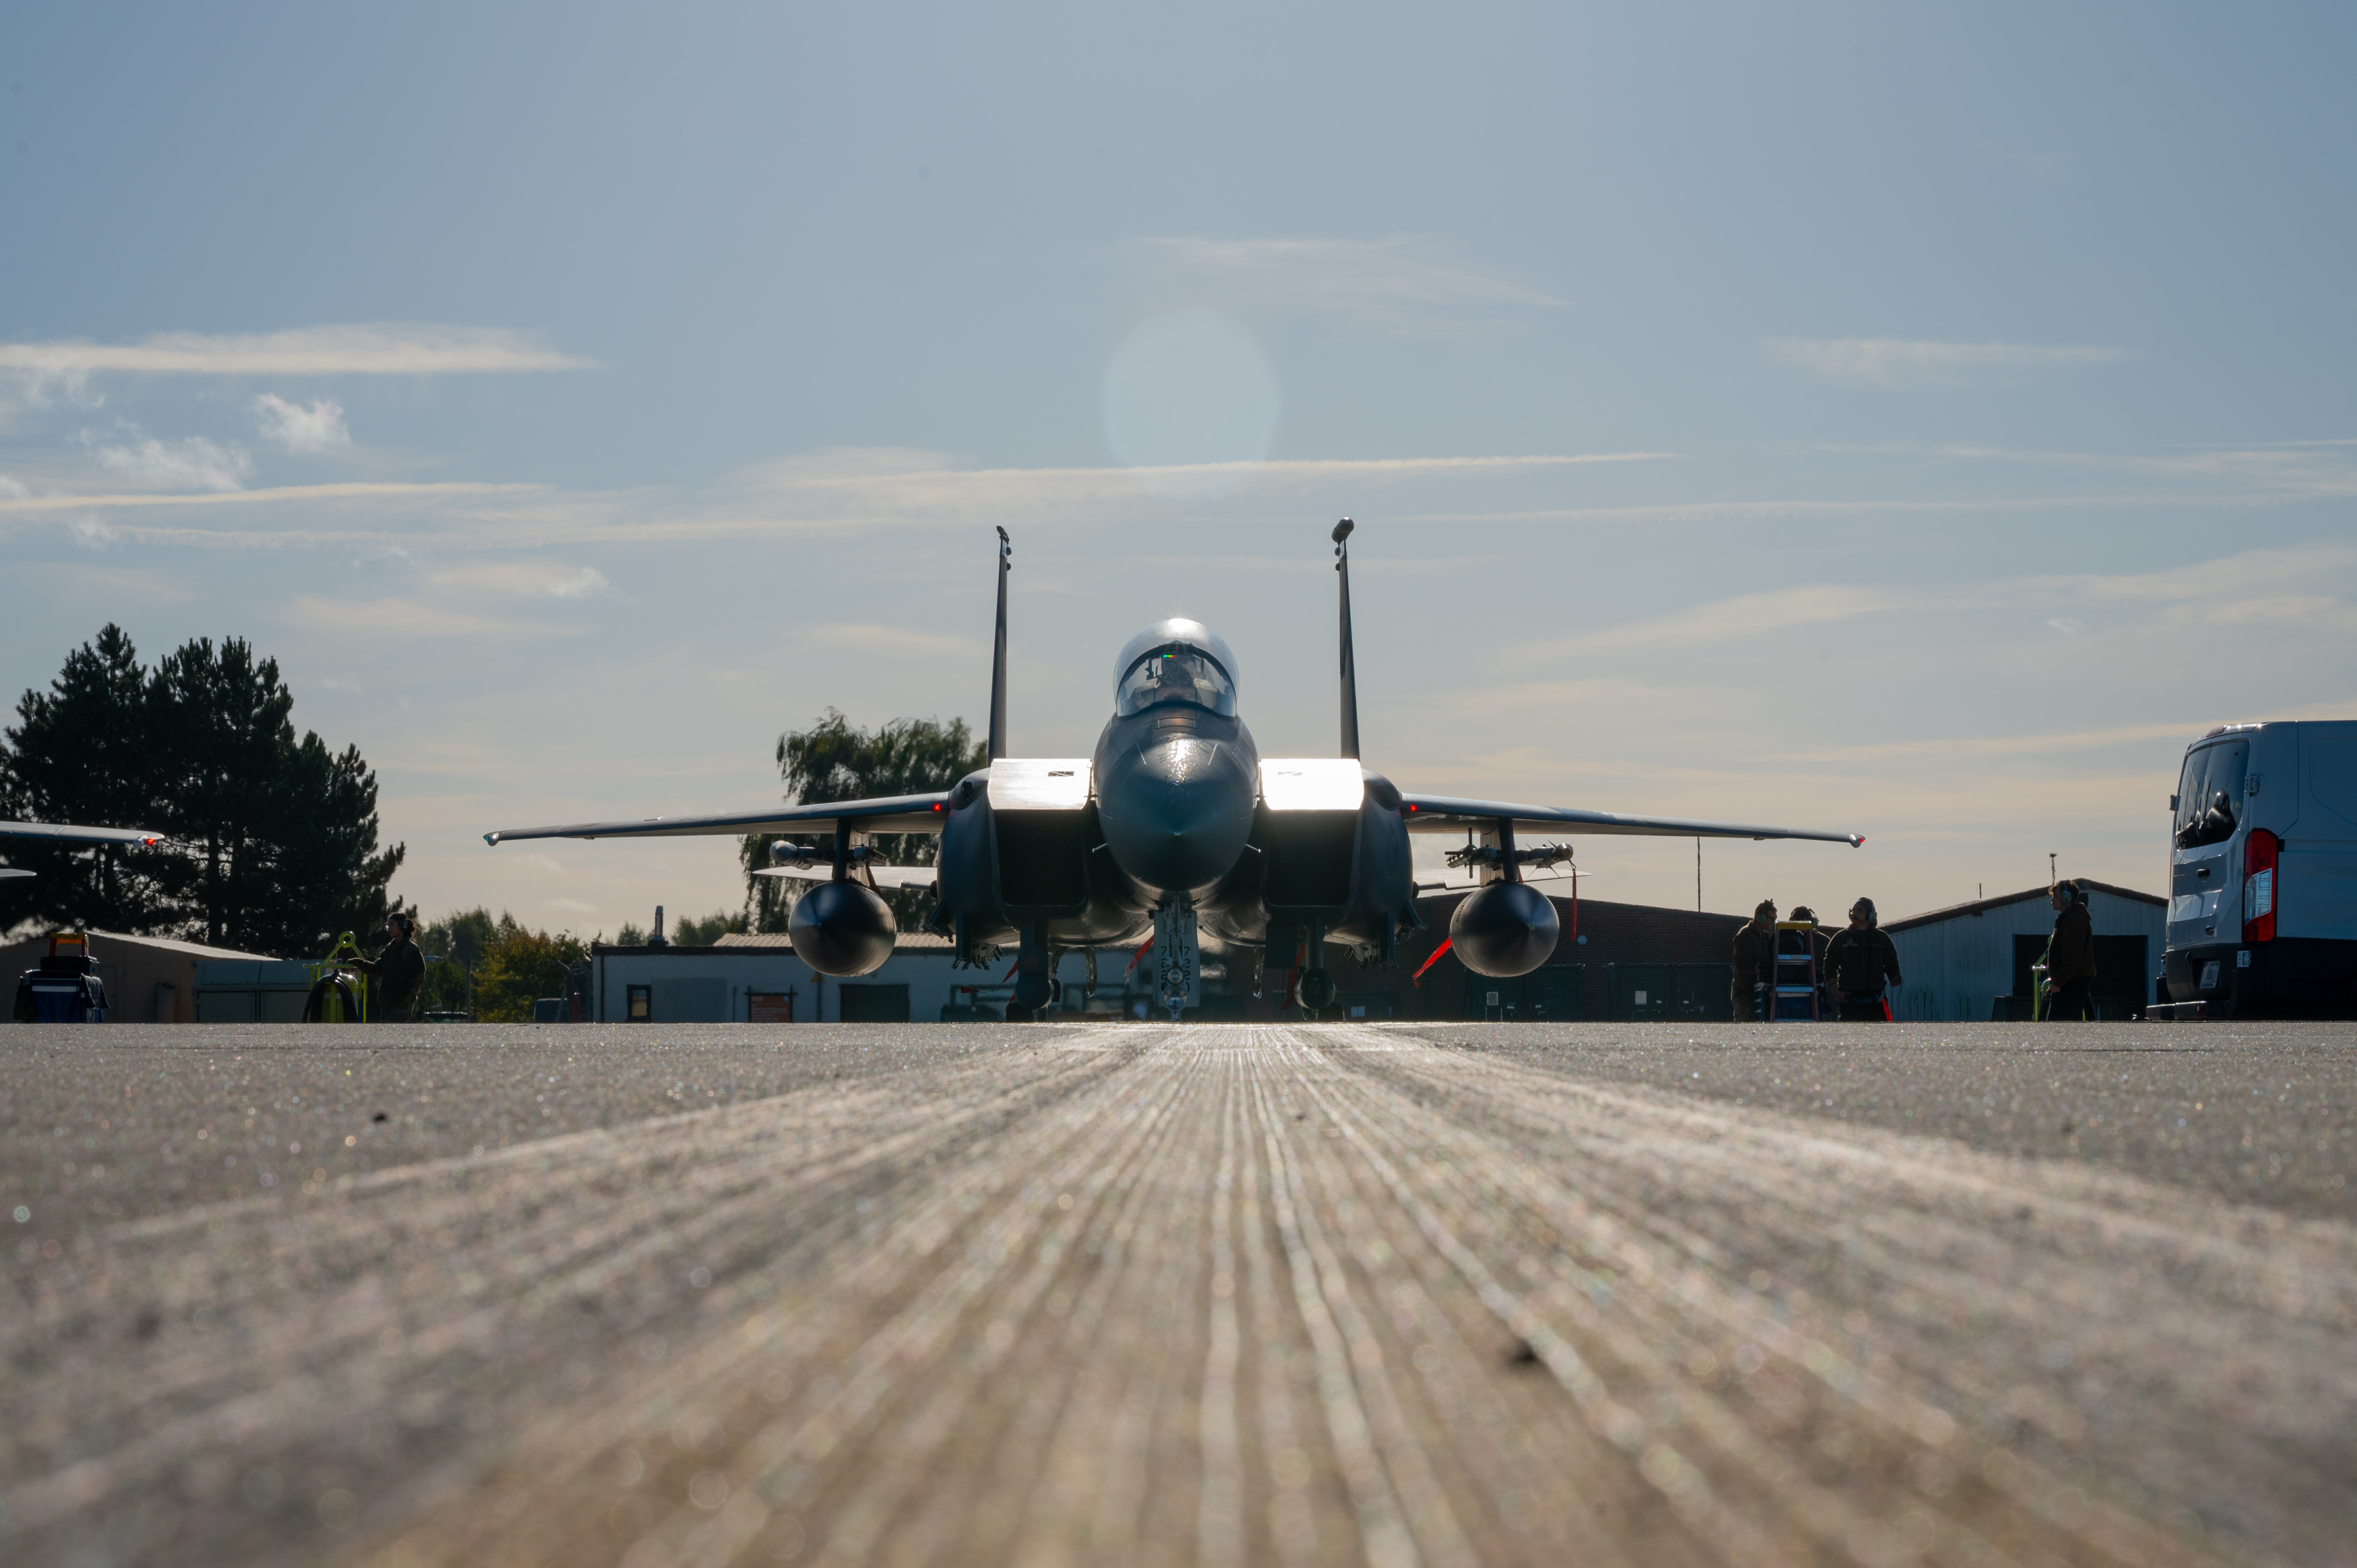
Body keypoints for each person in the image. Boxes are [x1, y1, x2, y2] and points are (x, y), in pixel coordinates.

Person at [1823, 897, 1901, 1020]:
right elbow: (1829, 965)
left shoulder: (1882, 938)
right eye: (1853, 910)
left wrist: (1895, 976)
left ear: (1870, 916)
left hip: (1876, 1000)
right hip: (1849, 1000)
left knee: (1882, 1036)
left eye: (1860, 910)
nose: (1855, 913)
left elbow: (1892, 962)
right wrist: (1836, 992)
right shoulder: (1841, 938)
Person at [354, 912, 427, 1022]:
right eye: (388, 926)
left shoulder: (411, 950)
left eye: (392, 925)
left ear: (403, 925)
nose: (389, 928)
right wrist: (359, 964)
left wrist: (404, 998)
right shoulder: (389, 949)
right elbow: (378, 969)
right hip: (387, 1005)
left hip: (401, 1007)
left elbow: (418, 976)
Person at [2041, 879, 2098, 1020]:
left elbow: (2072, 960)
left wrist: (2057, 983)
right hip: (2069, 984)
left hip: (2071, 985)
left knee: (2058, 1028)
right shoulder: (2068, 919)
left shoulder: (2074, 921)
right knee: (2071, 1030)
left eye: (2055, 896)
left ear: (2067, 898)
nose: (2052, 900)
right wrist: (2055, 983)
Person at [1730, 899, 1777, 1020]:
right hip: (1745, 994)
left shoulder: (1766, 936)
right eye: (1771, 919)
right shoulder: (1744, 936)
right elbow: (1741, 966)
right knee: (1744, 1029)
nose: (1774, 923)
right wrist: (1760, 971)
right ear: (1761, 918)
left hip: (1760, 992)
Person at [1789, 906, 1831, 1017]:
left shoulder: (1824, 942)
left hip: (1820, 990)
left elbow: (1831, 969)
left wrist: (1812, 971)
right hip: (1793, 991)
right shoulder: (1786, 941)